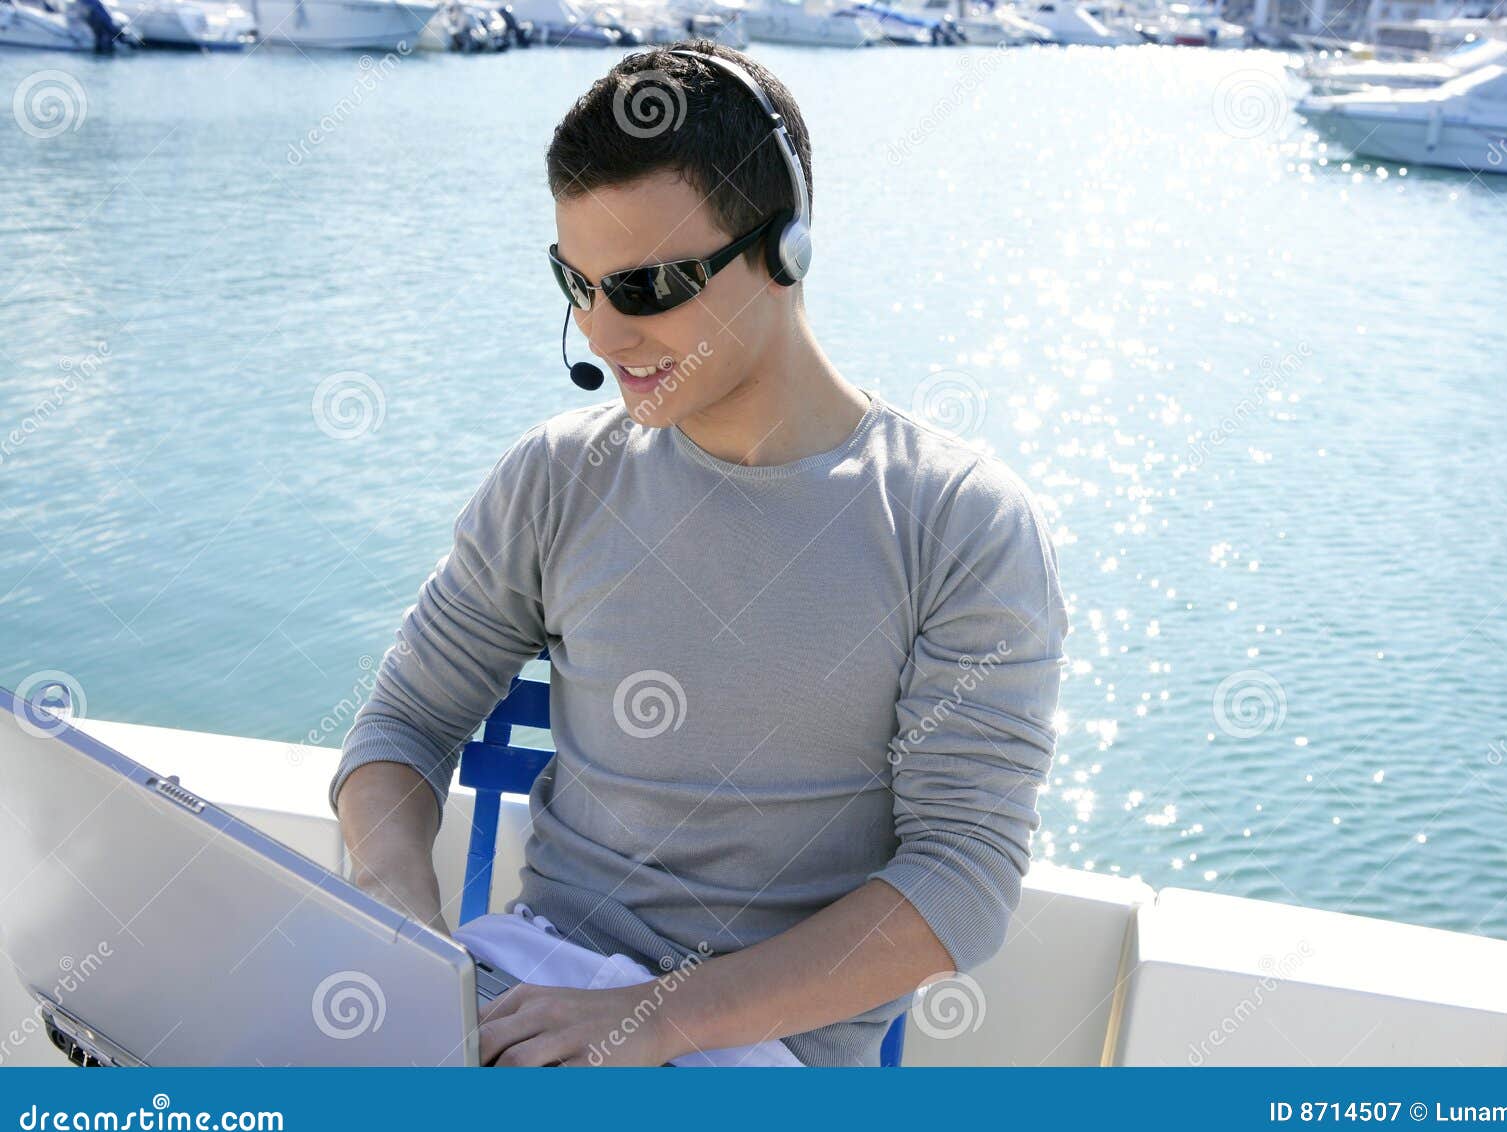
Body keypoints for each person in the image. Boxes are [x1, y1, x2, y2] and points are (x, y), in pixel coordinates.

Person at [329, 39, 1070, 1067]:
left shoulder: (956, 519)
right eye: (573, 282)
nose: (599, 334)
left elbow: (964, 877)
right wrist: (398, 926)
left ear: (785, 250)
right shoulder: (555, 477)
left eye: (645, 288)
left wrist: (656, 1017)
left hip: (741, 1058)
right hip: (519, 999)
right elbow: (403, 723)